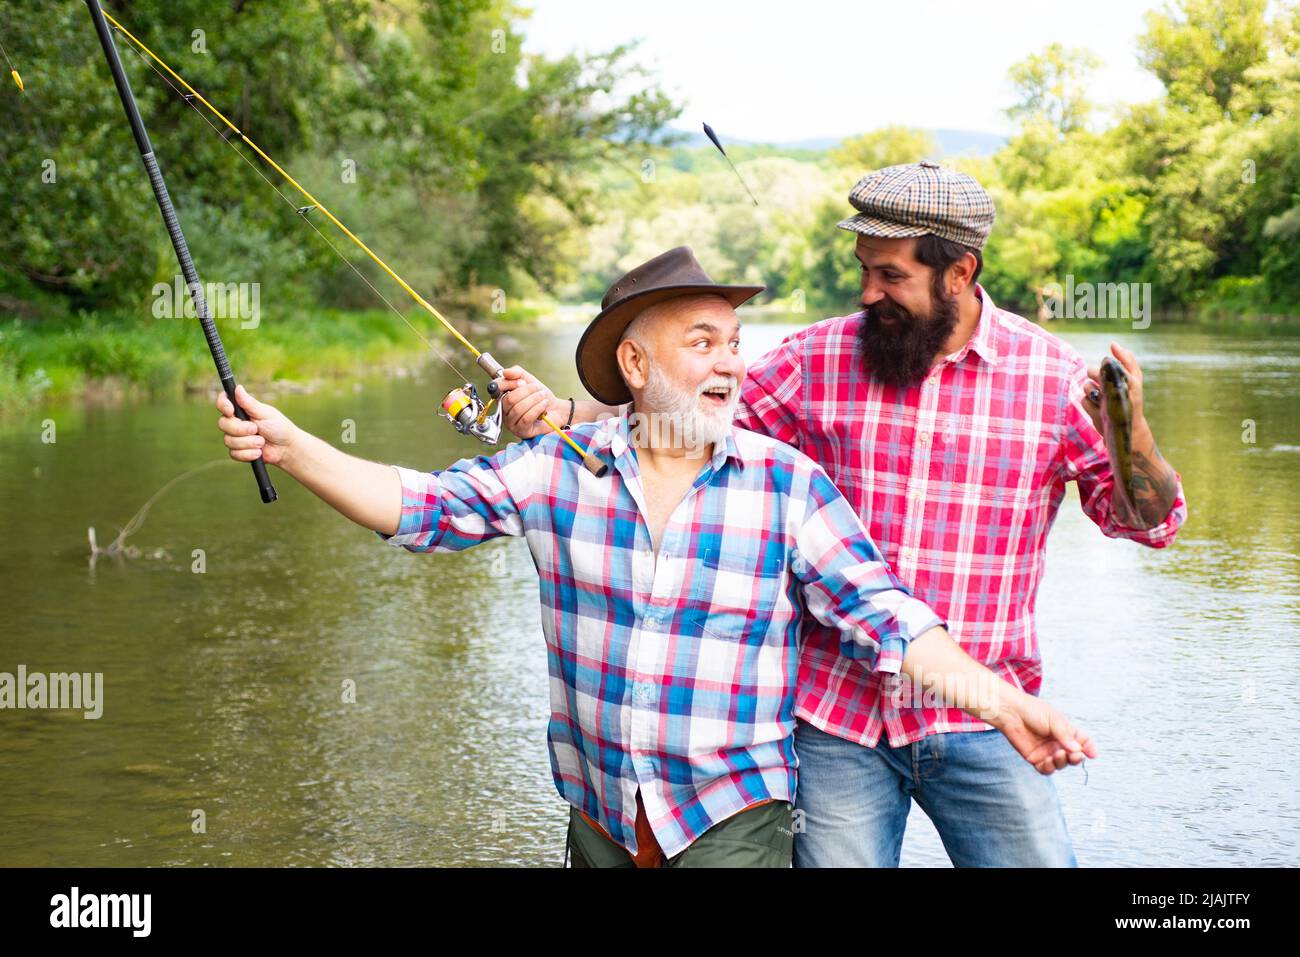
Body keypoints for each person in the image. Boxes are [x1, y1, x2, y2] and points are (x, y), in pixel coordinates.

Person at [217, 245, 1096, 868]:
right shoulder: (553, 469)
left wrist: (1007, 702)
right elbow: (421, 507)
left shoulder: (785, 485)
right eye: (702, 342)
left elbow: (894, 622)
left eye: (734, 343)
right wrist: (292, 447)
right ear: (635, 361)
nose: (731, 363)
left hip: (732, 818)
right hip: (600, 813)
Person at [501, 164, 1183, 868]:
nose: (868, 292)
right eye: (862, 269)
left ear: (960, 271)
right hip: (835, 718)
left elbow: (1149, 524)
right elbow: (674, 419)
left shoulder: (1053, 378)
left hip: (983, 715)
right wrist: (565, 414)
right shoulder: (813, 357)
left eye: (890, 275)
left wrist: (1134, 443)